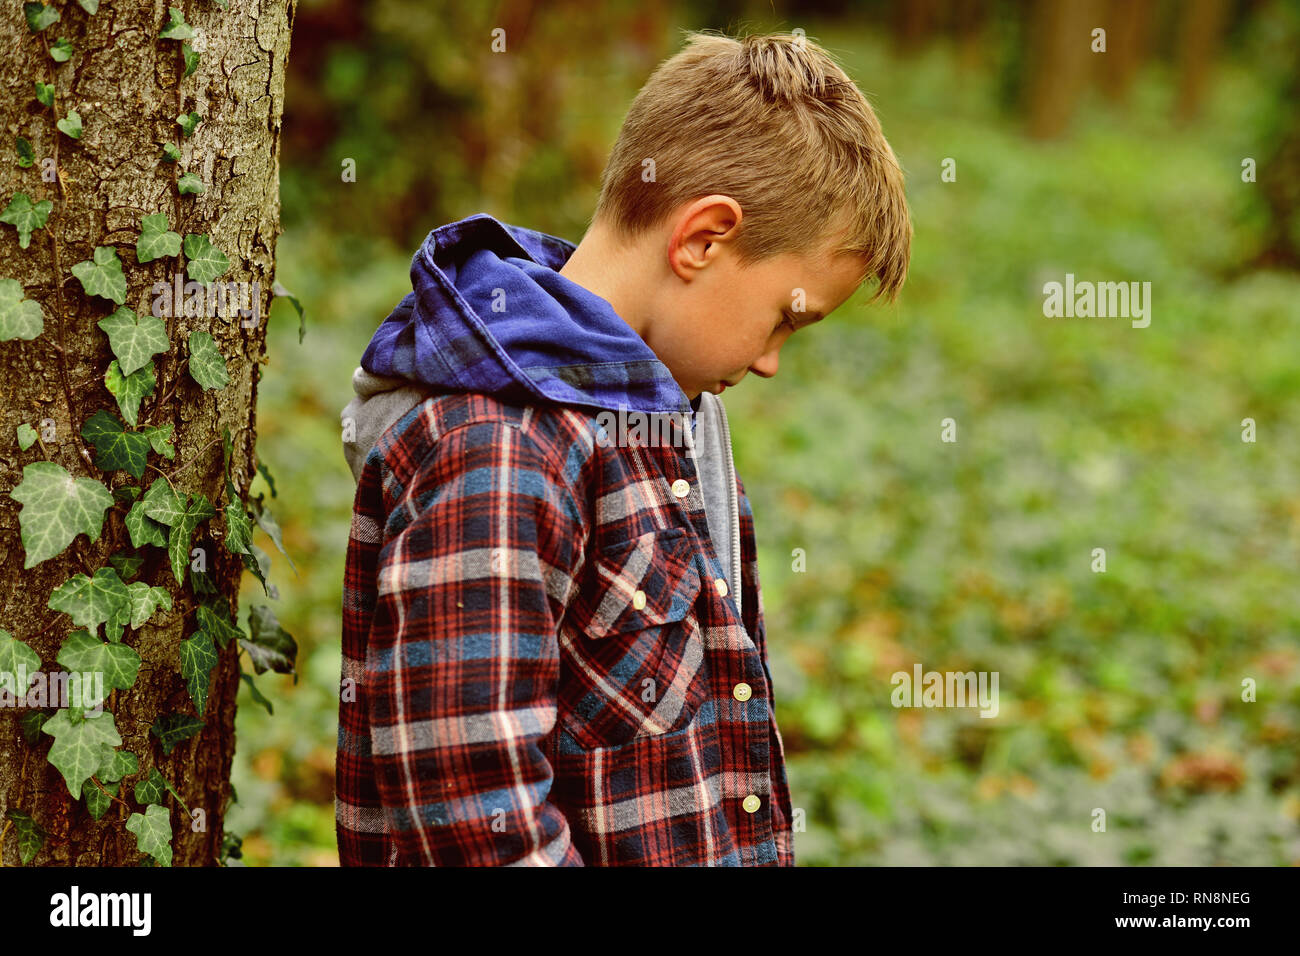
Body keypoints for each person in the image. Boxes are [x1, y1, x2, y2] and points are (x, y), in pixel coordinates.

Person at [335, 29, 911, 866]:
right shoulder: (497, 449)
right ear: (704, 240)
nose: (770, 360)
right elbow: (471, 803)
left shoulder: (670, 409)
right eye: (785, 316)